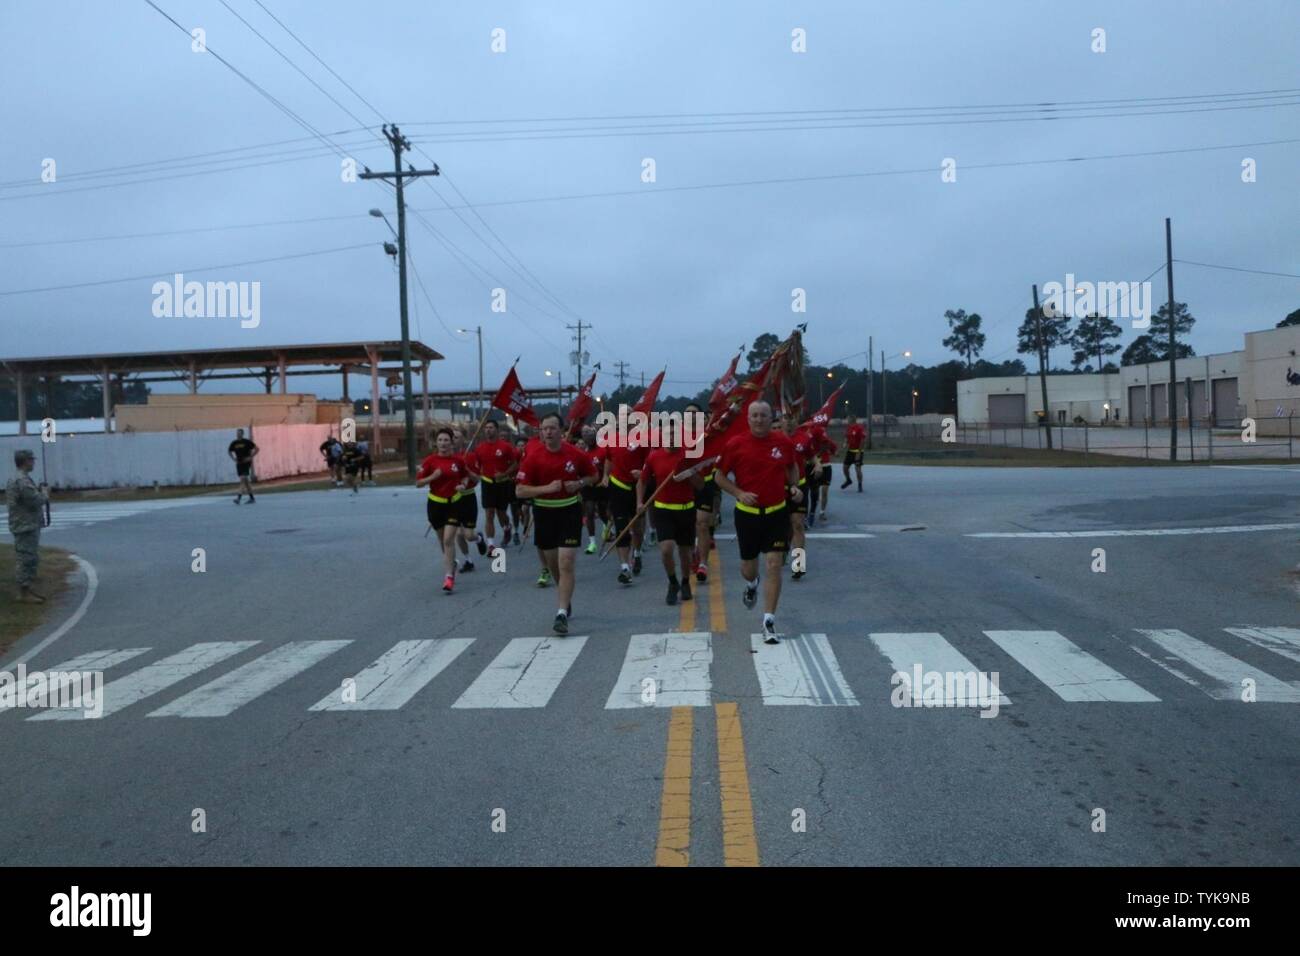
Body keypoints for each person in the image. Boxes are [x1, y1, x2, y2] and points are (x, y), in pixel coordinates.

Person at [713, 401, 803, 644]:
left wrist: (793, 486)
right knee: (749, 568)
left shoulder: (783, 442)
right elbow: (719, 476)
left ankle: (769, 620)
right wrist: (739, 493)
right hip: (747, 515)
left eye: (764, 415)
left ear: (770, 417)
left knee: (774, 563)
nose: (759, 419)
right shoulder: (735, 444)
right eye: (754, 415)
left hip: (776, 513)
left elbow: (792, 468)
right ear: (748, 418)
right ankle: (752, 584)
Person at [514, 413, 597, 635]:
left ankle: (561, 613)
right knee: (554, 565)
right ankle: (565, 596)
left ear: (562, 431)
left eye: (552, 428)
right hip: (544, 513)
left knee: (567, 561)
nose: (548, 432)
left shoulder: (576, 454)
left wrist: (579, 483)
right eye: (544, 429)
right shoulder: (532, 458)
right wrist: (546, 489)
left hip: (569, 510)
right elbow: (520, 490)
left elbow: (593, 476)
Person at [637, 423, 704, 605]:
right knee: (666, 549)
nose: (672, 437)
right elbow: (642, 481)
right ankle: (672, 582)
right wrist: (640, 502)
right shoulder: (654, 456)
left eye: (675, 434)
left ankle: (684, 582)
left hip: (686, 509)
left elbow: (700, 485)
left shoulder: (688, 456)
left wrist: (689, 473)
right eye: (668, 434)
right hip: (663, 509)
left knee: (685, 552)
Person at [416, 428, 480, 594]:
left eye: (446, 440)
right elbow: (418, 483)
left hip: (454, 504)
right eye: (440, 440)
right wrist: (432, 477)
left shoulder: (458, 461)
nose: (443, 443)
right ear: (436, 443)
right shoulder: (430, 461)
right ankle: (452, 563)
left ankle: (449, 576)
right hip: (435, 504)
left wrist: (463, 485)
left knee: (448, 540)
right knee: (442, 542)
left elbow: (466, 476)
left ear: (452, 443)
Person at [604, 433, 648, 585]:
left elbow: (651, 461)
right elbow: (609, 459)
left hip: (638, 486)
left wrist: (643, 473)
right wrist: (605, 475)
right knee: (621, 528)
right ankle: (625, 567)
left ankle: (637, 553)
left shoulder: (644, 437)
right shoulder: (613, 439)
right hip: (618, 486)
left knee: (637, 528)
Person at [6, 449, 49, 603]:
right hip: (25, 525)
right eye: (31, 460)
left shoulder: (18, 479)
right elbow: (35, 500)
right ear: (25, 461)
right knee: (27, 558)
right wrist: (45, 493)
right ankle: (24, 592)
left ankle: (27, 588)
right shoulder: (22, 481)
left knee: (28, 557)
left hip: (24, 524)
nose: (33, 462)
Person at [468, 419, 518, 551]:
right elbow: (478, 465)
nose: (488, 430)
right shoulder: (480, 448)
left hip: (502, 484)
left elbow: (514, 464)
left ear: (496, 430)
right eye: (486, 428)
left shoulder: (505, 446)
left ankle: (507, 527)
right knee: (489, 513)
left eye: (491, 427)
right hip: (487, 484)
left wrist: (504, 474)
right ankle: (490, 544)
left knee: (501, 514)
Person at [779, 412, 816, 578]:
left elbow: (812, 456)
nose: (789, 421)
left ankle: (799, 563)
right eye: (786, 418)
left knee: (798, 524)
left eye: (792, 418)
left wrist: (819, 465)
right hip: (779, 489)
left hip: (799, 486)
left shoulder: (804, 438)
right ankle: (785, 546)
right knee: (784, 525)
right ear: (781, 420)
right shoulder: (774, 438)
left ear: (796, 420)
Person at [684, 403, 716, 583]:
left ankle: (703, 563)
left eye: (695, 413)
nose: (691, 416)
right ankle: (693, 553)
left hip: (705, 483)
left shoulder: (710, 433)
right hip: (684, 485)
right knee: (688, 526)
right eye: (688, 413)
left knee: (702, 524)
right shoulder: (677, 435)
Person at [578, 428, 609, 555]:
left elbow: (608, 466)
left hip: (601, 485)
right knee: (589, 512)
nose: (588, 438)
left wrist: (601, 473)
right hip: (588, 487)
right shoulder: (581, 452)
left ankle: (608, 527)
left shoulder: (602, 450)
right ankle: (592, 542)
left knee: (603, 511)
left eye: (590, 435)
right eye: (585, 436)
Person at [813, 426, 838, 522]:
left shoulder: (826, 440)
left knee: (824, 491)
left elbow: (834, 447)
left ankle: (822, 512)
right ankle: (811, 511)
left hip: (826, 466)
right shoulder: (810, 438)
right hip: (815, 467)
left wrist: (835, 452)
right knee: (815, 491)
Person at [228, 428, 259, 504]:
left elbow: (257, 449)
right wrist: (233, 459)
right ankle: (252, 498)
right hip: (239, 463)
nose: (238, 434)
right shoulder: (234, 443)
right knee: (246, 481)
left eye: (239, 433)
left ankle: (238, 498)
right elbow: (229, 451)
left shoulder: (247, 442)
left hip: (246, 462)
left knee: (242, 479)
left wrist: (250, 457)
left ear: (242, 434)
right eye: (237, 433)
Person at [840, 413, 866, 492]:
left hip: (858, 452)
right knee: (845, 468)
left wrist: (858, 452)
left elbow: (862, 441)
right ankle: (848, 480)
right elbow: (846, 437)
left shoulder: (859, 428)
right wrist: (845, 443)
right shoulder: (849, 428)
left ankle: (860, 485)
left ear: (852, 419)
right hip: (850, 451)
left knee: (857, 469)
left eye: (848, 419)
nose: (847, 420)